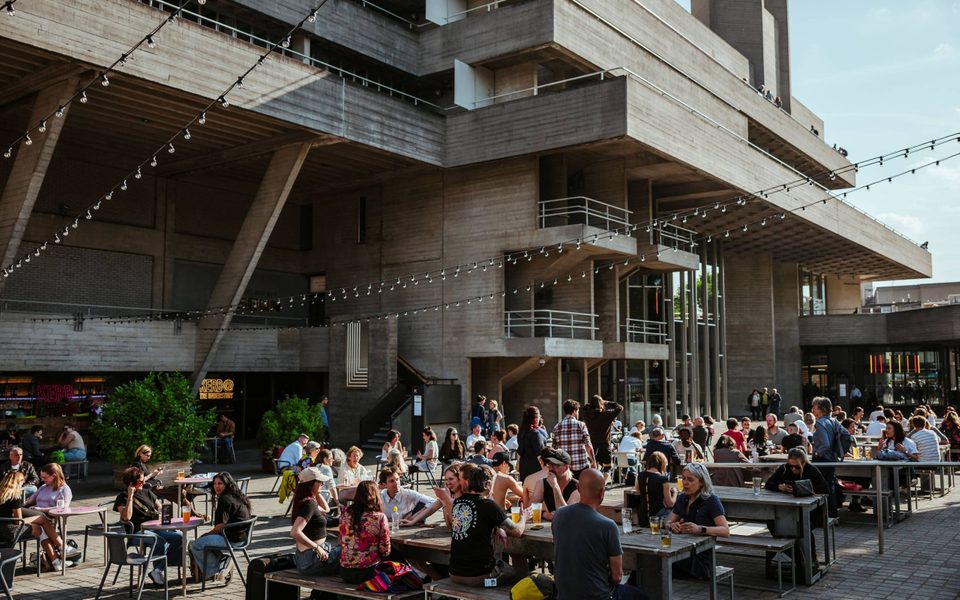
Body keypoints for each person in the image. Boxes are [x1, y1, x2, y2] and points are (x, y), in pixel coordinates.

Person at [553, 469, 647, 600]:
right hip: (599, 596)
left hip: (565, 595)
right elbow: (617, 577)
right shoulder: (607, 526)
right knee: (640, 595)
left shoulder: (559, 515)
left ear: (578, 488)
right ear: (602, 492)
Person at [449, 465, 528, 587]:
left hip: (454, 574)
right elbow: (517, 531)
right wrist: (524, 517)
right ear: (488, 484)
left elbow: (477, 521)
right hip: (481, 576)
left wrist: (497, 527)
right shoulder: (488, 505)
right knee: (518, 573)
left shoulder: (458, 502)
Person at [764, 448, 829, 573]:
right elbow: (768, 484)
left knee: (802, 527)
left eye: (797, 467)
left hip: (810, 511)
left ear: (804, 463)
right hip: (786, 510)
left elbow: (825, 488)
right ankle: (790, 556)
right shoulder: (784, 469)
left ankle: (810, 560)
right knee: (773, 522)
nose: (793, 469)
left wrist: (802, 489)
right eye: (791, 466)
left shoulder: (811, 470)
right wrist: (780, 487)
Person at [115, 467, 181, 585]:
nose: (143, 483)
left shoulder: (147, 492)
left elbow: (160, 507)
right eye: (140, 481)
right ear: (131, 483)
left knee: (179, 536)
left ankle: (158, 570)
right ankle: (158, 570)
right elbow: (126, 517)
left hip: (155, 528)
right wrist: (130, 497)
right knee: (158, 540)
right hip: (137, 532)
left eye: (143, 480)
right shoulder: (122, 497)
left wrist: (162, 514)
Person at [665, 463, 730, 578]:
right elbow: (668, 522)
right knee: (649, 561)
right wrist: (672, 525)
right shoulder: (683, 498)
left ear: (701, 482)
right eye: (683, 478)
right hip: (682, 551)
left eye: (690, 480)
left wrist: (700, 529)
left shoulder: (711, 500)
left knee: (657, 564)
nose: (685, 483)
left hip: (701, 560)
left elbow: (725, 531)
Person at [190, 472, 253, 582]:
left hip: (231, 539)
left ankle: (216, 569)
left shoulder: (225, 499)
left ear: (227, 484)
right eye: (215, 484)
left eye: (220, 483)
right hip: (242, 537)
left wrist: (207, 534)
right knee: (206, 540)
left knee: (196, 545)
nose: (216, 486)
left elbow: (220, 526)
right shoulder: (237, 496)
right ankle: (224, 560)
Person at [0, 471, 69, 570]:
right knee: (40, 524)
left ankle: (57, 560)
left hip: (2, 529)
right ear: (18, 482)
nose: (22, 485)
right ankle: (61, 551)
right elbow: (18, 522)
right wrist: (33, 519)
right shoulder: (14, 497)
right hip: (10, 531)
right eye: (22, 482)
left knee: (40, 525)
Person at [339, 480, 390, 584]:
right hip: (368, 572)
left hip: (345, 572)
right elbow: (385, 550)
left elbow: (342, 538)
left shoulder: (345, 514)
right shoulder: (379, 517)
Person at [810, 397, 843, 517]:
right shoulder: (833, 421)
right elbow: (846, 435)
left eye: (814, 407)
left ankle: (821, 514)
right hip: (831, 459)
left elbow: (825, 444)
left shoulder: (820, 423)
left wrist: (817, 453)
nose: (812, 409)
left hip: (822, 460)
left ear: (820, 409)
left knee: (819, 487)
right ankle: (832, 513)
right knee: (830, 487)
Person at [580, 394, 624, 479]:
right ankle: (602, 484)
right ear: (601, 404)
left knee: (593, 467)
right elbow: (620, 408)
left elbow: (583, 408)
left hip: (592, 445)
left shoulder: (586, 415)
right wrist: (607, 402)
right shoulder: (606, 415)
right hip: (604, 445)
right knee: (608, 467)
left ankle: (593, 484)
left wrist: (591, 404)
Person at [552, 400, 596, 478]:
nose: (578, 413)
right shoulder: (581, 425)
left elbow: (555, 449)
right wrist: (593, 461)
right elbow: (588, 445)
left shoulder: (556, 427)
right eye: (578, 411)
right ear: (574, 411)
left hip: (565, 468)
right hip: (581, 466)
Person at [633, 451, 675, 522]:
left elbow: (637, 489)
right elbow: (670, 504)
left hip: (643, 516)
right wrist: (675, 493)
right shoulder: (663, 479)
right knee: (676, 511)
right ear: (662, 464)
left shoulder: (640, 475)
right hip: (658, 515)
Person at [541, 448, 580, 520]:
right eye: (549, 464)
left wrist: (555, 487)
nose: (551, 468)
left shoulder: (577, 487)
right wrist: (545, 514)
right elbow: (529, 508)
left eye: (556, 465)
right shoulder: (544, 483)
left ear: (566, 467)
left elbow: (565, 516)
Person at [516, 406, 548, 481]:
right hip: (536, 470)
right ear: (535, 418)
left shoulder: (521, 432)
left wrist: (518, 465)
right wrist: (546, 471)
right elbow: (540, 455)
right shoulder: (535, 433)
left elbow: (519, 451)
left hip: (524, 469)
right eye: (539, 416)